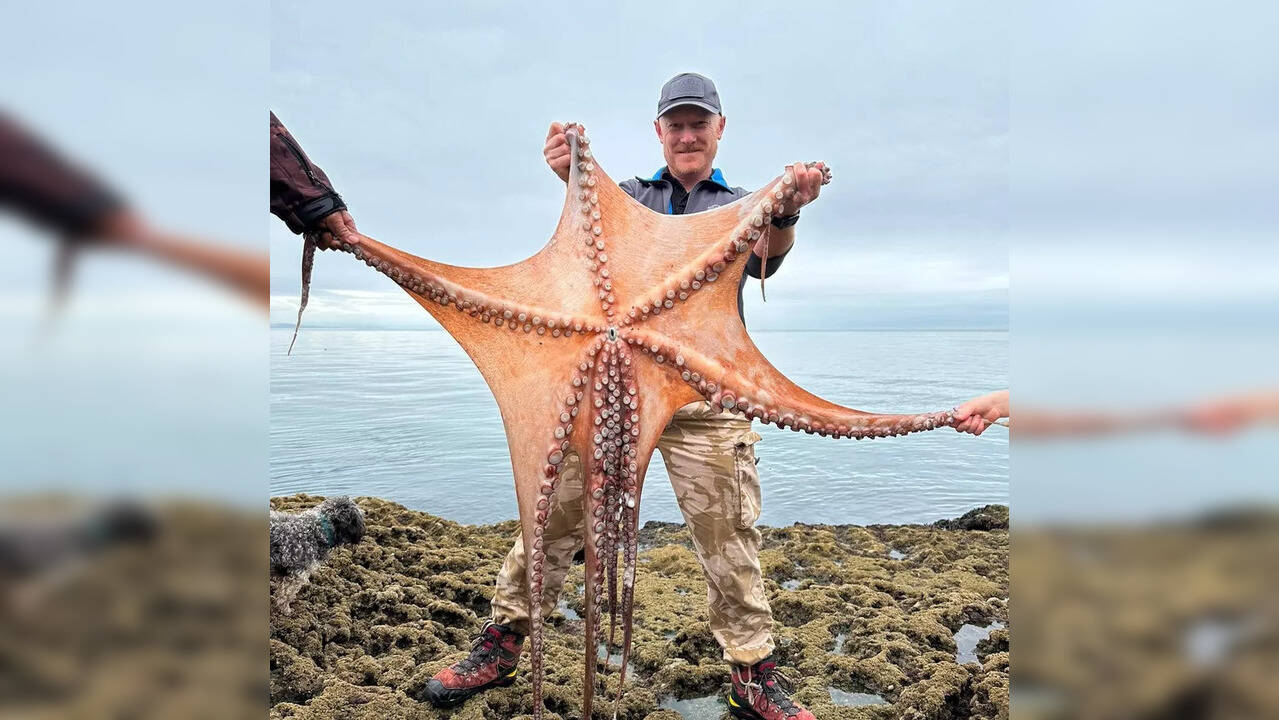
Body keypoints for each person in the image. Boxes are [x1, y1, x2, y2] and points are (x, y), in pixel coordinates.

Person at [424, 73, 827, 720]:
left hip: (704, 399)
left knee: (728, 534)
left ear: (720, 129)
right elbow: (591, 215)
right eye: (676, 124)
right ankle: (501, 642)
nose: (688, 134)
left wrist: (787, 208)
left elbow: (768, 252)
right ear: (659, 132)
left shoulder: (741, 205)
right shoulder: (630, 196)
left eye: (699, 123)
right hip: (611, 398)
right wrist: (569, 167)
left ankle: (751, 675)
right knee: (552, 513)